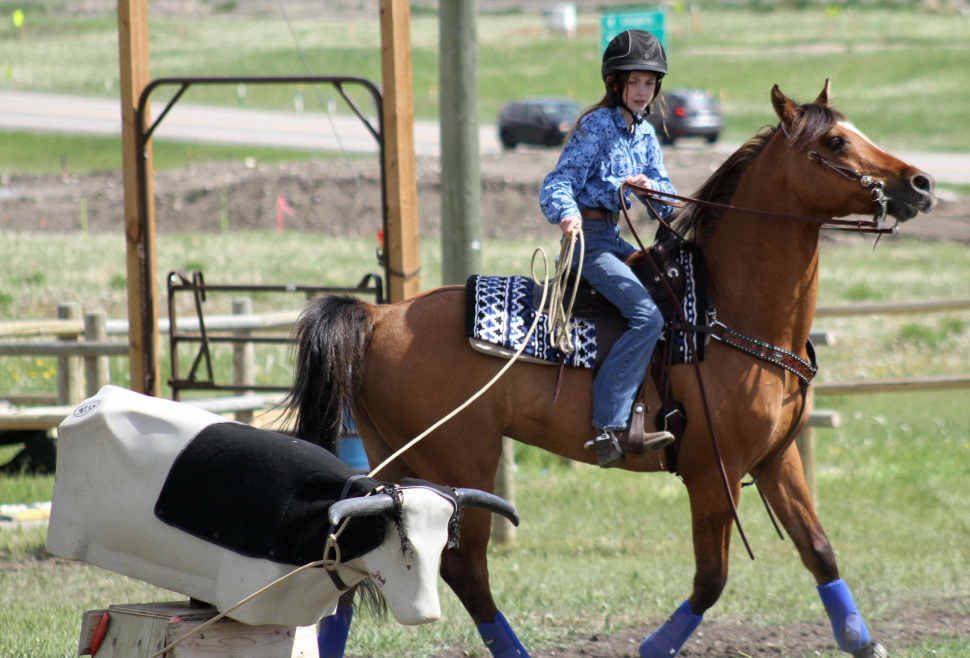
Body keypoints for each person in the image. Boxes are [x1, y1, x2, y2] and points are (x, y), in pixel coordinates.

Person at [539, 29, 676, 468]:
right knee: (646, 316)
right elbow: (558, 181)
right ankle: (608, 429)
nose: (642, 91)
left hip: (617, 240)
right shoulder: (597, 126)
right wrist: (567, 213)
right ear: (616, 83)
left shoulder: (647, 135)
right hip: (589, 243)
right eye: (635, 82)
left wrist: (651, 189)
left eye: (649, 84)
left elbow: (670, 205)